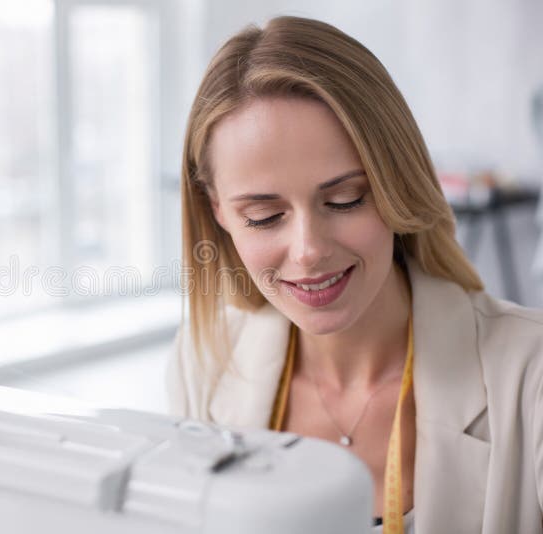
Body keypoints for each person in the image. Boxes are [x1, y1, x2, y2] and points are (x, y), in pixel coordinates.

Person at [166, 15, 543, 534]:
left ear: (396, 184)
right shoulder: (204, 359)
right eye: (264, 216)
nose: (309, 251)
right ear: (219, 212)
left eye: (346, 200)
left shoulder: (531, 376)